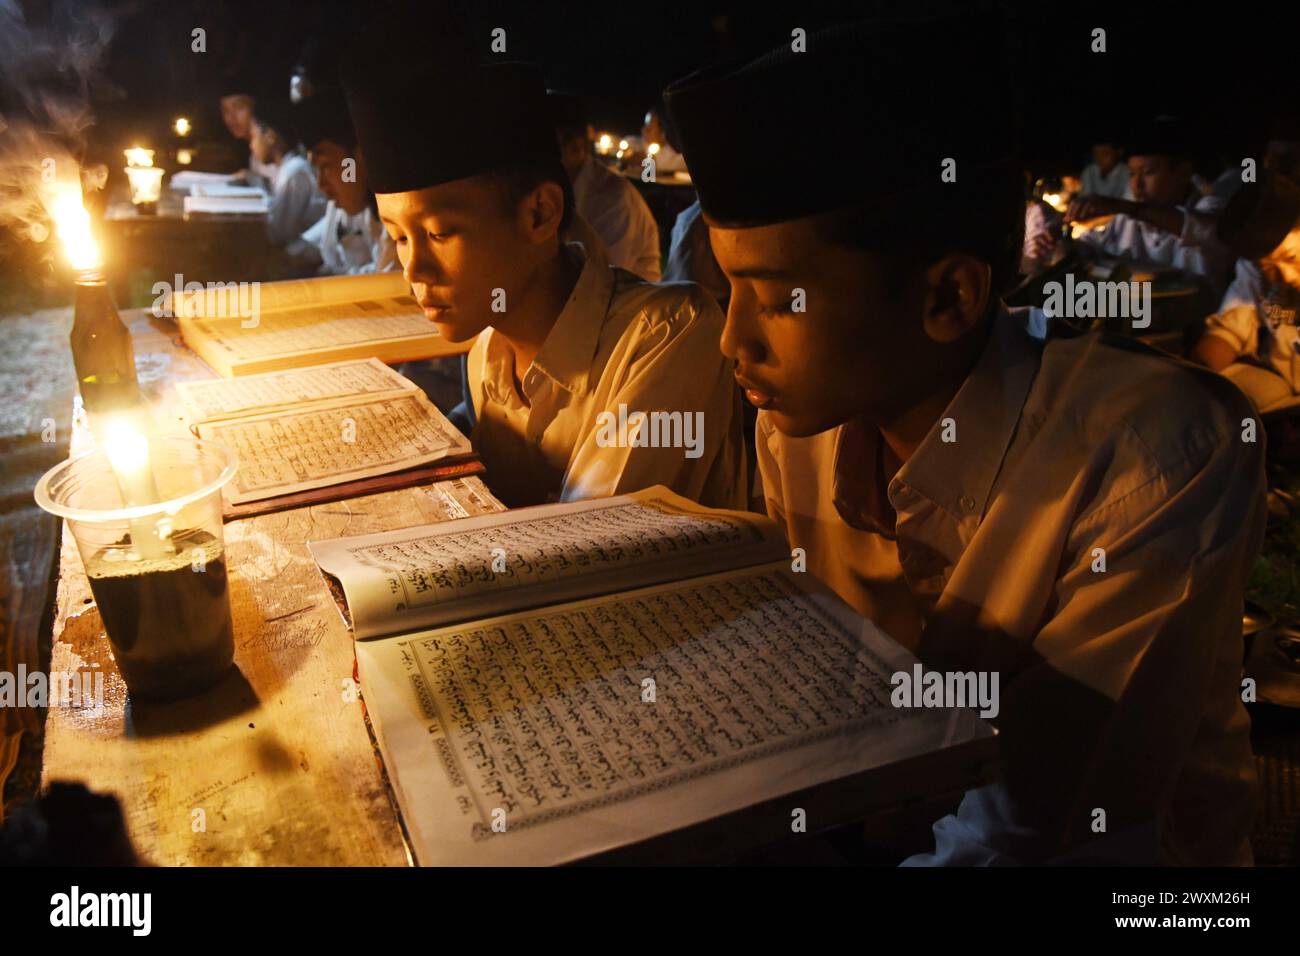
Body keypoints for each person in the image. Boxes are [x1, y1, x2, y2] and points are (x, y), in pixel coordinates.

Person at [665, 15, 1265, 865]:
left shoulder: (1149, 458)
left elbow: (1028, 834)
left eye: (777, 298)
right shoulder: (799, 422)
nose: (735, 344)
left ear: (948, 297)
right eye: (729, 291)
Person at [343, 53, 744, 509]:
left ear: (539, 214)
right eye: (398, 237)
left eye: (438, 233)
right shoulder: (486, 351)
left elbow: (585, 548)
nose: (414, 271)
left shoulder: (664, 336)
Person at [1059, 118, 1233, 295]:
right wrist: (1061, 242)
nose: (1137, 185)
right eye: (1132, 174)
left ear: (1183, 173)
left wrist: (1123, 207)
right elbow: (1089, 245)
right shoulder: (1128, 219)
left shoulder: (1210, 206)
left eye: (1148, 173)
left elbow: (1205, 229)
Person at [1192, 170, 1300, 413]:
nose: (1284, 276)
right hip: (1279, 389)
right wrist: (1191, 374)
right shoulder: (1255, 268)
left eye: (1291, 258)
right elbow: (1231, 330)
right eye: (1269, 266)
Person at [550, 93, 662, 281]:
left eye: (543, 147)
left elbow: (604, 283)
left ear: (576, 147)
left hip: (629, 305)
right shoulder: (555, 189)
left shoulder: (613, 199)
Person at [293, 89, 397, 275]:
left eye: (326, 166)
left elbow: (386, 279)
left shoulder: (395, 217)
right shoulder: (347, 201)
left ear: (359, 157)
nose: (321, 184)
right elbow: (320, 248)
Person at [248, 101, 328, 247]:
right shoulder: (287, 169)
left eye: (253, 136)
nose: (251, 145)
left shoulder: (294, 171)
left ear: (270, 136)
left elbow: (278, 233)